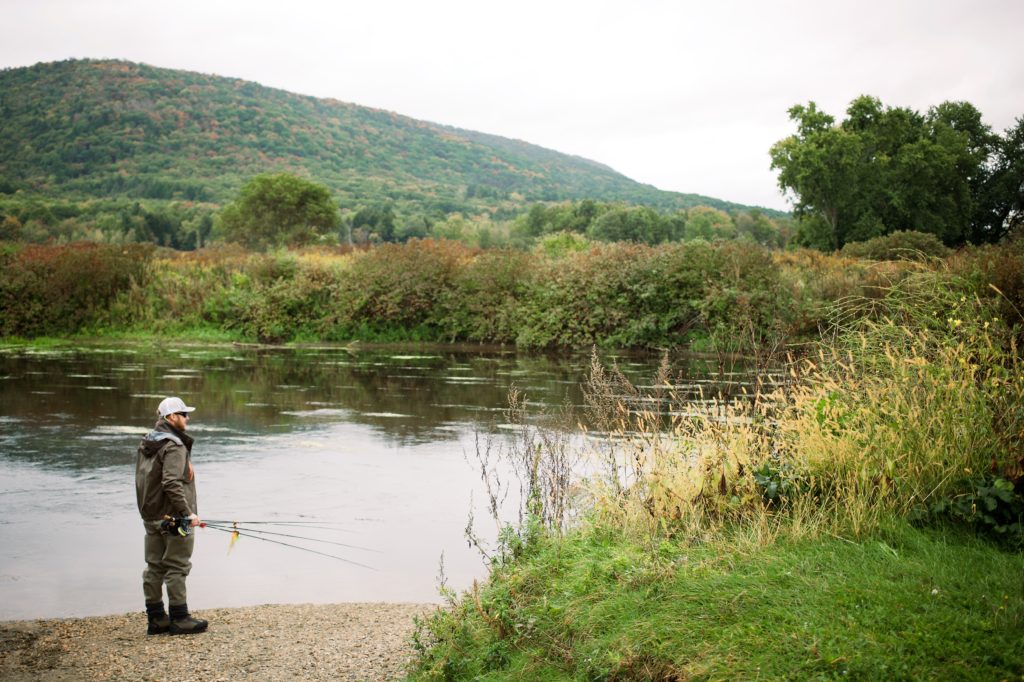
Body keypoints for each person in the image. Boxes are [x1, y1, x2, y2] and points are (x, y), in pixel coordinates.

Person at [135, 396, 208, 635]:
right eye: (183, 414)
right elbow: (171, 483)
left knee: (154, 566)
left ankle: (156, 618)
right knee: (177, 566)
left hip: (151, 516)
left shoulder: (148, 441)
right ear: (170, 417)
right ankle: (179, 618)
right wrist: (187, 514)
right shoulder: (174, 445)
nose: (188, 418)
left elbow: (143, 481)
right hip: (175, 519)